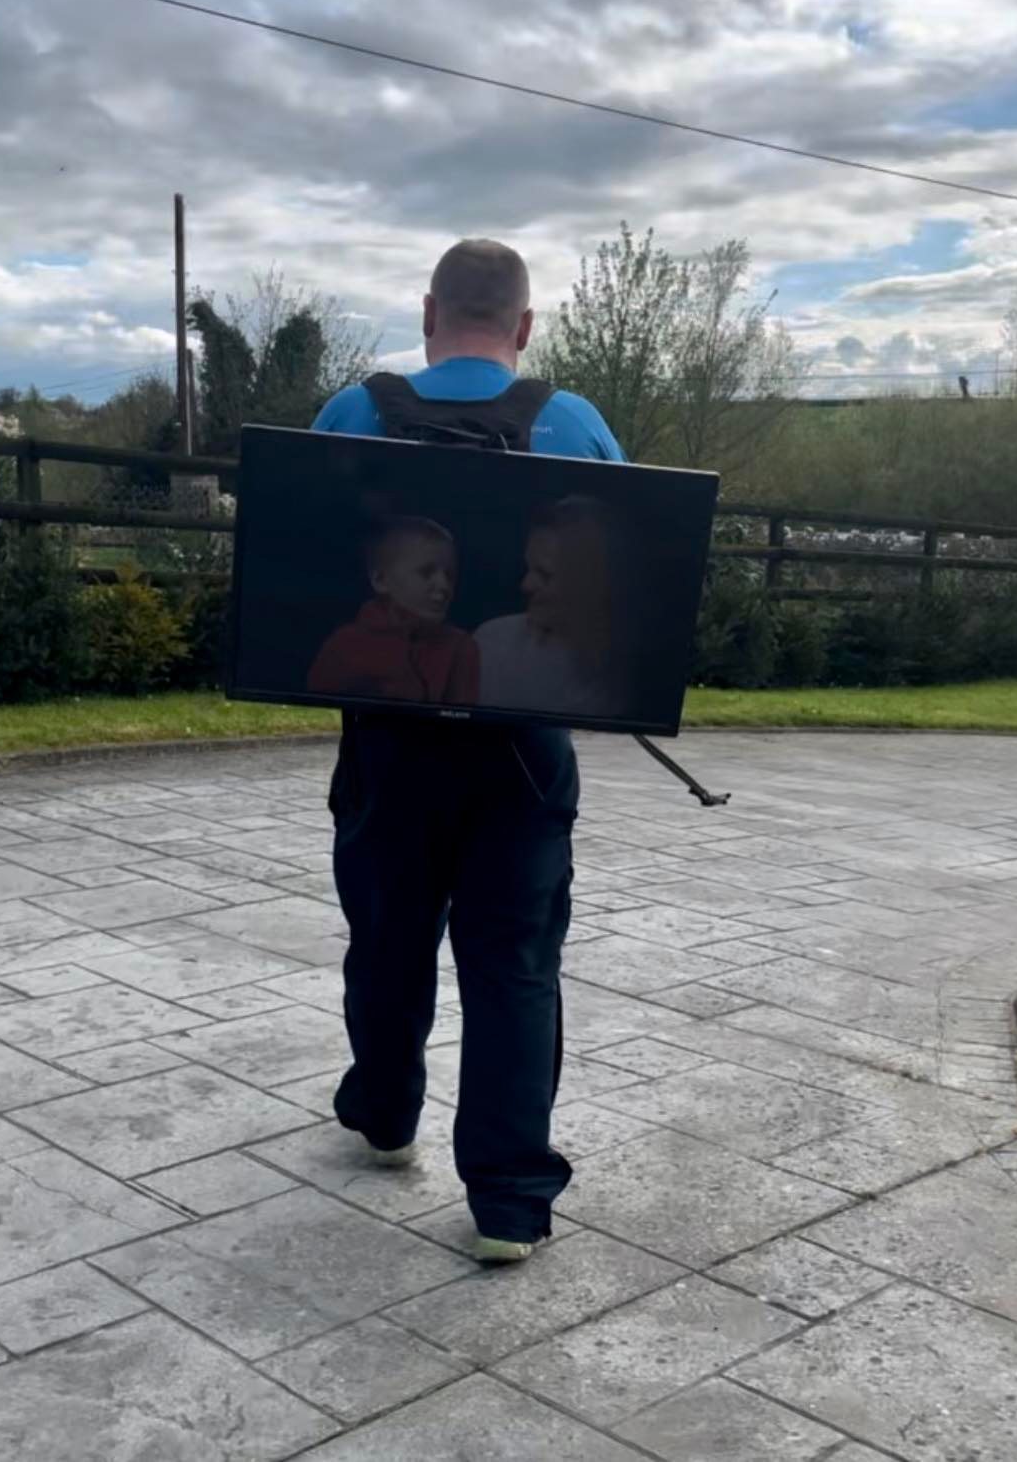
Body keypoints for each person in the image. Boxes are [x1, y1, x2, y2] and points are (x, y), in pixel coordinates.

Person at [313, 238, 626, 1264]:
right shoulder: (572, 421)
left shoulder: (351, 414)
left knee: (387, 940)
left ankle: (388, 1117)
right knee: (514, 964)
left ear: (426, 313)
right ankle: (507, 1203)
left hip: (389, 746)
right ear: (526, 328)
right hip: (522, 751)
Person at [476, 495, 629, 720]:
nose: (526, 585)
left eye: (545, 574)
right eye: (528, 568)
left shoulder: (628, 670)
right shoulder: (492, 642)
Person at [307, 515, 478, 705]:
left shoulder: (461, 648)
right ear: (381, 580)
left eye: (450, 575)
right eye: (426, 572)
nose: (443, 585)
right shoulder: (344, 645)